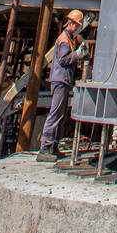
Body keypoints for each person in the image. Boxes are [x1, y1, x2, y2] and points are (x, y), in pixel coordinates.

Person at [37, 10, 87, 161]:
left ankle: (53, 147)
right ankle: (45, 148)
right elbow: (64, 60)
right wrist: (78, 54)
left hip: (63, 80)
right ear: (71, 23)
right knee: (55, 113)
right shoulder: (64, 39)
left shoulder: (69, 38)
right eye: (77, 25)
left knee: (60, 114)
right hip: (60, 80)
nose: (78, 28)